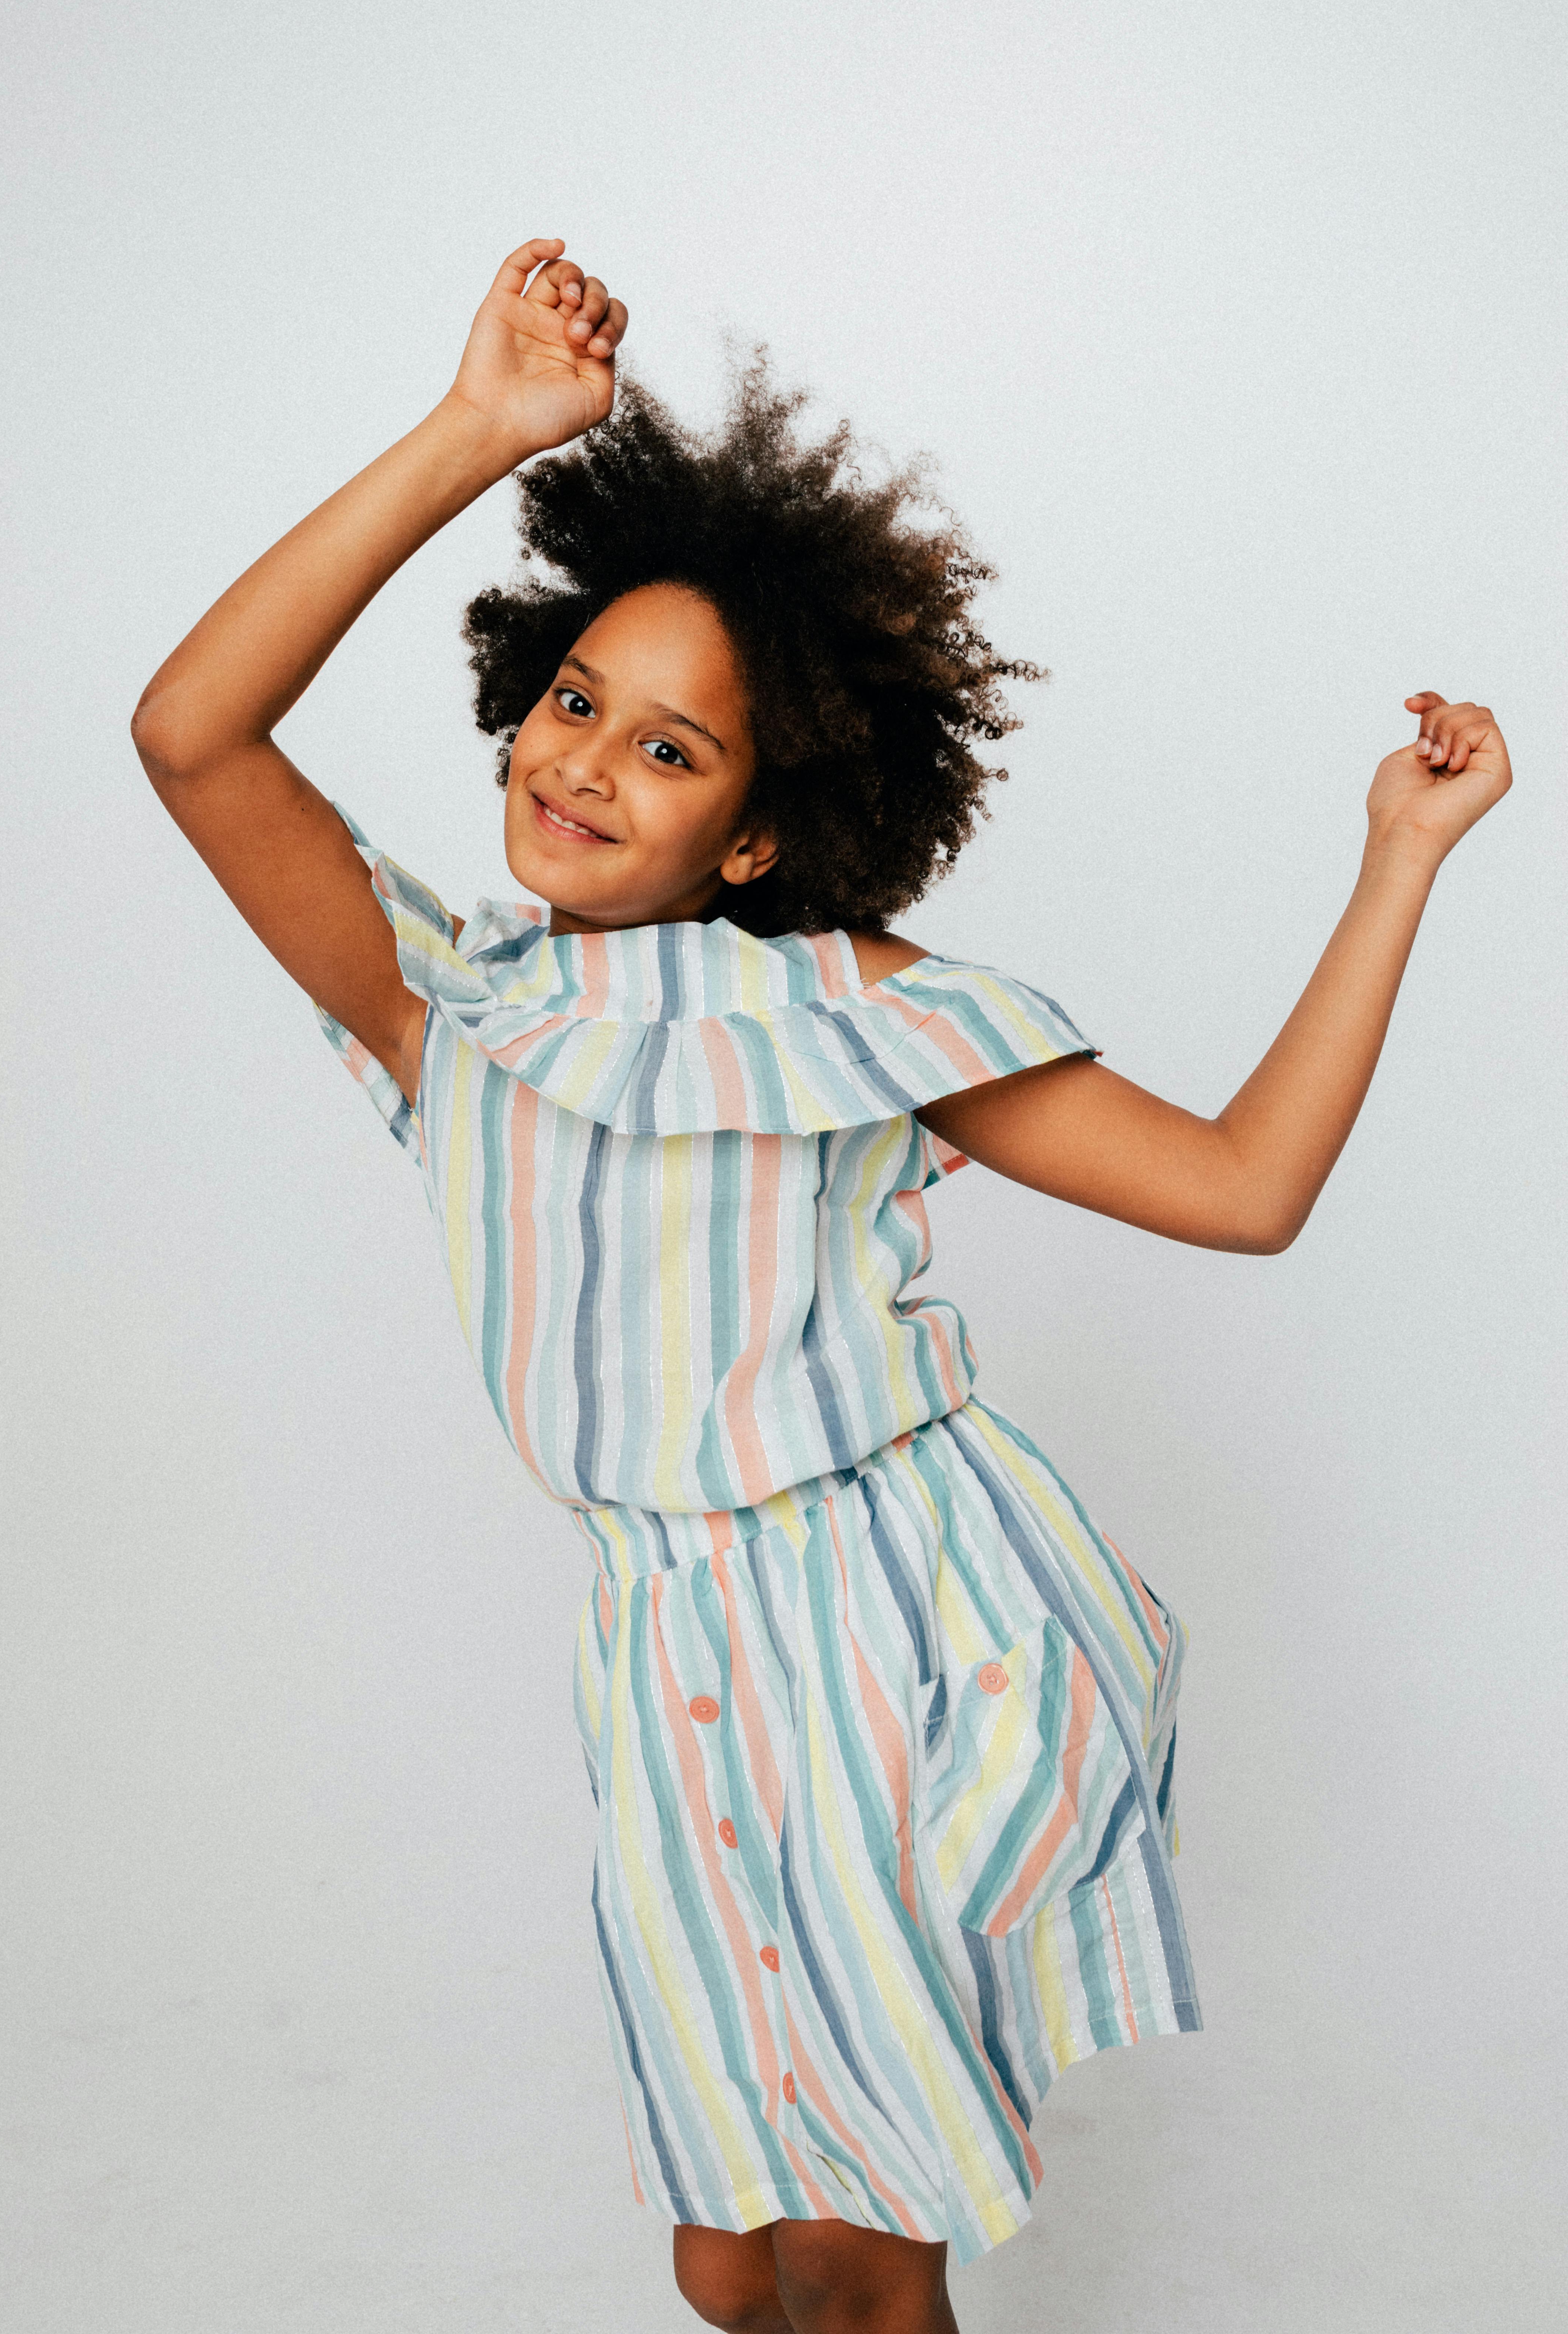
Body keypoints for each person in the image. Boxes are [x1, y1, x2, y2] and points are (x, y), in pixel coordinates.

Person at [131, 239, 1512, 2334]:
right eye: (577, 700)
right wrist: (481, 432)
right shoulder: (447, 1006)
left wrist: (1398, 858)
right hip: (658, 1656)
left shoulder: (853, 1012)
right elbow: (191, 731)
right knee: (721, 2254)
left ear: (765, 834)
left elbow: (1244, 1189)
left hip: (887, 1643)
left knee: (859, 2258)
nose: (585, 760)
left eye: (672, 751)